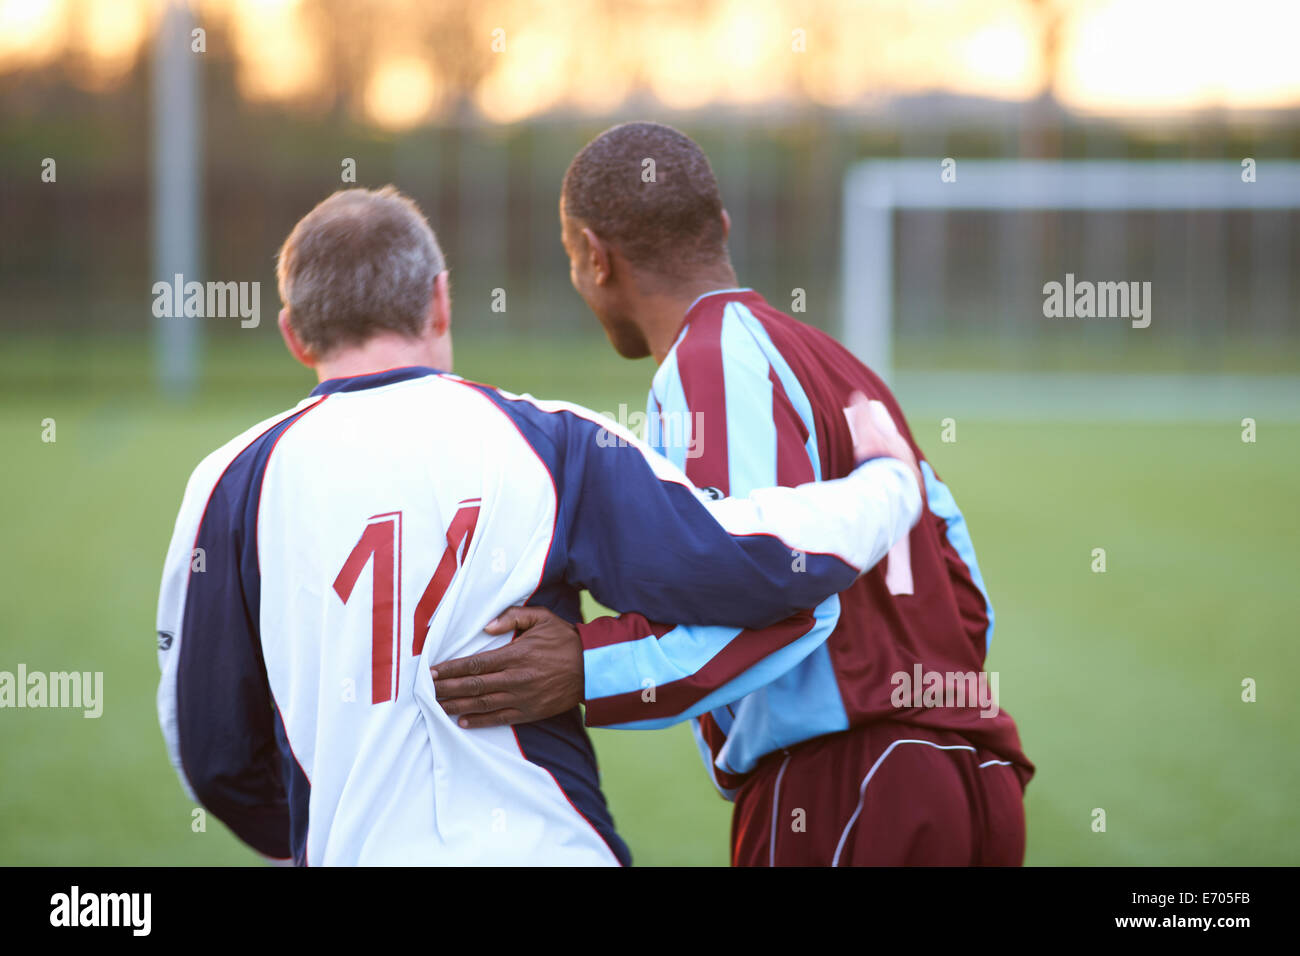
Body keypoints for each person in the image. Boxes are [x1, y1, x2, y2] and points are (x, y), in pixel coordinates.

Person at [154, 185, 924, 866]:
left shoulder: (229, 483)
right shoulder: (553, 442)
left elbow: (213, 751)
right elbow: (751, 566)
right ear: (440, 300)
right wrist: (888, 486)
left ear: (293, 333)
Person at [431, 123, 1033, 866]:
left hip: (846, 789)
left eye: (569, 260)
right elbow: (970, 598)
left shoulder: (707, 364)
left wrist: (588, 664)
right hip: (976, 781)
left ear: (593, 256)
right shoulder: (840, 365)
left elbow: (778, 590)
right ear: (719, 226)